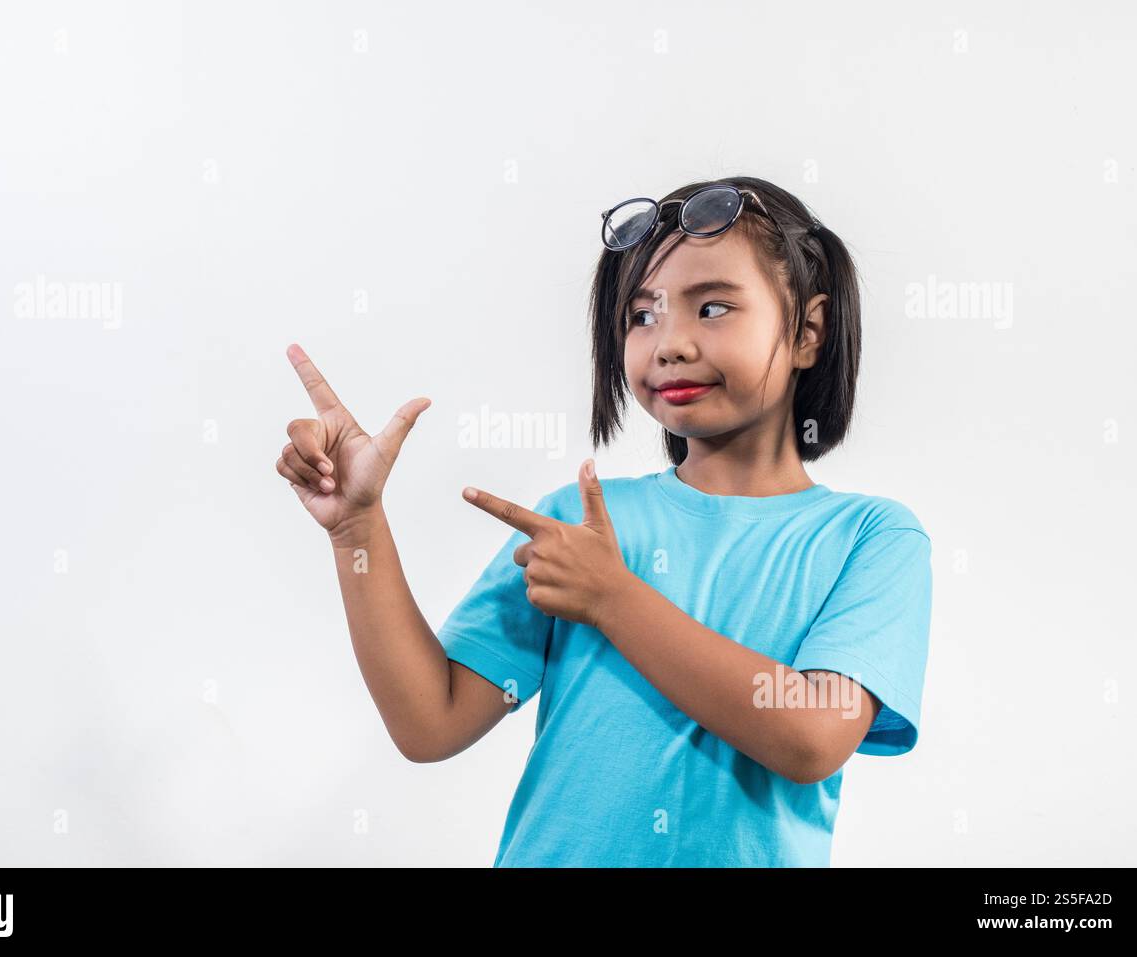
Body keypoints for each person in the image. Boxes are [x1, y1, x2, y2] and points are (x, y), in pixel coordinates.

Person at [275, 174, 932, 867]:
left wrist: (613, 599)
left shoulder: (870, 538)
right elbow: (429, 720)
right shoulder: (577, 525)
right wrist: (357, 530)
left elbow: (811, 737)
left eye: (711, 307)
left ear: (808, 330)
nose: (670, 342)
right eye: (641, 315)